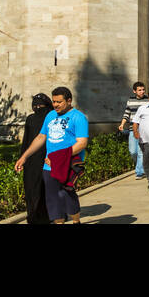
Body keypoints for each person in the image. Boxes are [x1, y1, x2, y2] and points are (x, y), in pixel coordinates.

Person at [14, 86, 88, 224]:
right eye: (54, 101)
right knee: (53, 198)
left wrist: (59, 158)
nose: (55, 105)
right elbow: (41, 137)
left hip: (68, 164)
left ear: (69, 101)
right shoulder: (50, 115)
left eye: (59, 102)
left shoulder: (78, 117)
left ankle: (76, 220)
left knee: (66, 195)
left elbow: (82, 143)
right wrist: (24, 157)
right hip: (49, 166)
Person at [20, 93, 53, 223]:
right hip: (34, 160)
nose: (38, 108)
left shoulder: (51, 118)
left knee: (44, 187)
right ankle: (38, 214)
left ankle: (42, 214)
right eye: (35, 105)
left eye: (40, 105)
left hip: (45, 159)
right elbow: (27, 140)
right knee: (34, 188)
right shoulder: (31, 119)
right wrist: (23, 158)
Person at [117, 81, 149, 177]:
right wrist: (122, 124)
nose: (142, 92)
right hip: (132, 129)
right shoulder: (130, 100)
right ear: (134, 91)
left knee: (140, 151)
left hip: (144, 130)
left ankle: (139, 172)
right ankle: (139, 165)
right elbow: (127, 113)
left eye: (143, 90)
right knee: (133, 151)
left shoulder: (148, 100)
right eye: (140, 90)